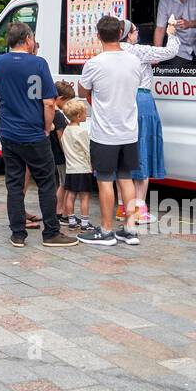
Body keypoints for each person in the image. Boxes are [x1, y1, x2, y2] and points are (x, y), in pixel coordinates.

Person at [0, 22, 78, 248]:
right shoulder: (38, 63)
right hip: (33, 132)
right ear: (28, 39)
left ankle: (18, 233)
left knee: (14, 183)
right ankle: (51, 232)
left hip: (9, 132)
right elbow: (49, 102)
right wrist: (46, 127)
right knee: (47, 183)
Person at [75, 15, 145, 247]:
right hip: (129, 130)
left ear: (98, 36)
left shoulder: (94, 64)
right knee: (126, 179)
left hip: (105, 132)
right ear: (120, 35)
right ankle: (130, 229)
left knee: (105, 180)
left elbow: (82, 90)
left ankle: (105, 231)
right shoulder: (134, 61)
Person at [122, 18, 180, 223]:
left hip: (122, 102)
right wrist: (171, 32)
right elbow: (170, 52)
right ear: (128, 35)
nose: (137, 34)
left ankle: (124, 206)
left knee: (125, 154)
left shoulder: (111, 53)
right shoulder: (137, 51)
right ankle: (139, 208)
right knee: (143, 152)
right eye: (135, 30)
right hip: (142, 100)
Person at [59, 99, 94, 229]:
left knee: (71, 194)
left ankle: (72, 221)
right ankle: (85, 223)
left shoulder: (66, 131)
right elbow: (87, 150)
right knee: (84, 197)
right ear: (79, 116)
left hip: (70, 168)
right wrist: (92, 164)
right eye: (85, 113)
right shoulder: (82, 132)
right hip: (82, 168)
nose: (86, 115)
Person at [49, 80, 75, 225]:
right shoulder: (58, 115)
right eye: (68, 102)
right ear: (60, 99)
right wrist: (69, 153)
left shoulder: (49, 111)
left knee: (61, 182)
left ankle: (59, 210)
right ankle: (60, 211)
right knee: (64, 183)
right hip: (61, 154)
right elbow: (61, 137)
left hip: (53, 153)